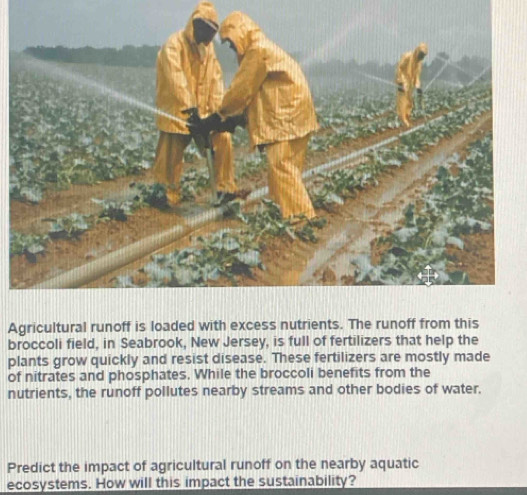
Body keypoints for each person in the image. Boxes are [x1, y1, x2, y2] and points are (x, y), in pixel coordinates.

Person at [194, 11, 319, 220]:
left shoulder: (257, 51)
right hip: (296, 114)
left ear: (240, 33)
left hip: (285, 117)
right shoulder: (265, 47)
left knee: (281, 167)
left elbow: (241, 91)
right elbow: (258, 94)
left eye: (232, 43)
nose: (233, 49)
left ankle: (302, 220)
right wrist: (234, 120)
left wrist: (217, 116)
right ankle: (288, 217)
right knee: (286, 173)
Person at [153, 1, 238, 207]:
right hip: (178, 113)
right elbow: (176, 81)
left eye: (213, 34)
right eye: (208, 33)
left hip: (203, 115)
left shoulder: (208, 51)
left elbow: (216, 81)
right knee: (171, 155)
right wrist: (190, 109)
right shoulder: (174, 45)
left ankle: (224, 188)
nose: (210, 40)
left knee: (223, 140)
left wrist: (218, 114)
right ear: (195, 25)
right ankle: (165, 195)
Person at [395, 43, 428, 127]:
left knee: (409, 100)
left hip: (410, 83)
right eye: (421, 54)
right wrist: (400, 82)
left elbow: (417, 74)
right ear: (417, 51)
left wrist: (418, 86)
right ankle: (402, 119)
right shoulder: (407, 56)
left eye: (423, 55)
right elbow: (399, 68)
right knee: (402, 100)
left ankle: (407, 116)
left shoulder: (418, 62)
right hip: (403, 81)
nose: (422, 57)